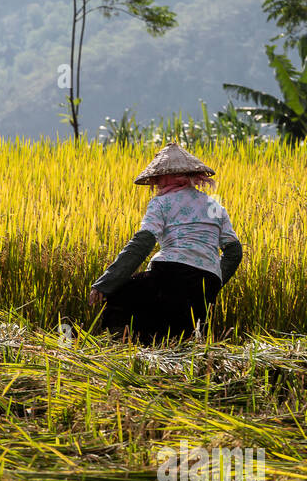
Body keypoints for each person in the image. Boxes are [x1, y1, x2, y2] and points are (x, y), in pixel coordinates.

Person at [88, 142, 242, 344]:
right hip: (206, 281)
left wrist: (106, 283)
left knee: (120, 297)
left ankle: (122, 350)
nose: (156, 183)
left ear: (166, 177)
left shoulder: (161, 202)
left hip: (170, 273)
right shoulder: (214, 204)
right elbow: (234, 251)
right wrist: (214, 280)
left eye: (158, 178)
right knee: (183, 334)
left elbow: (143, 242)